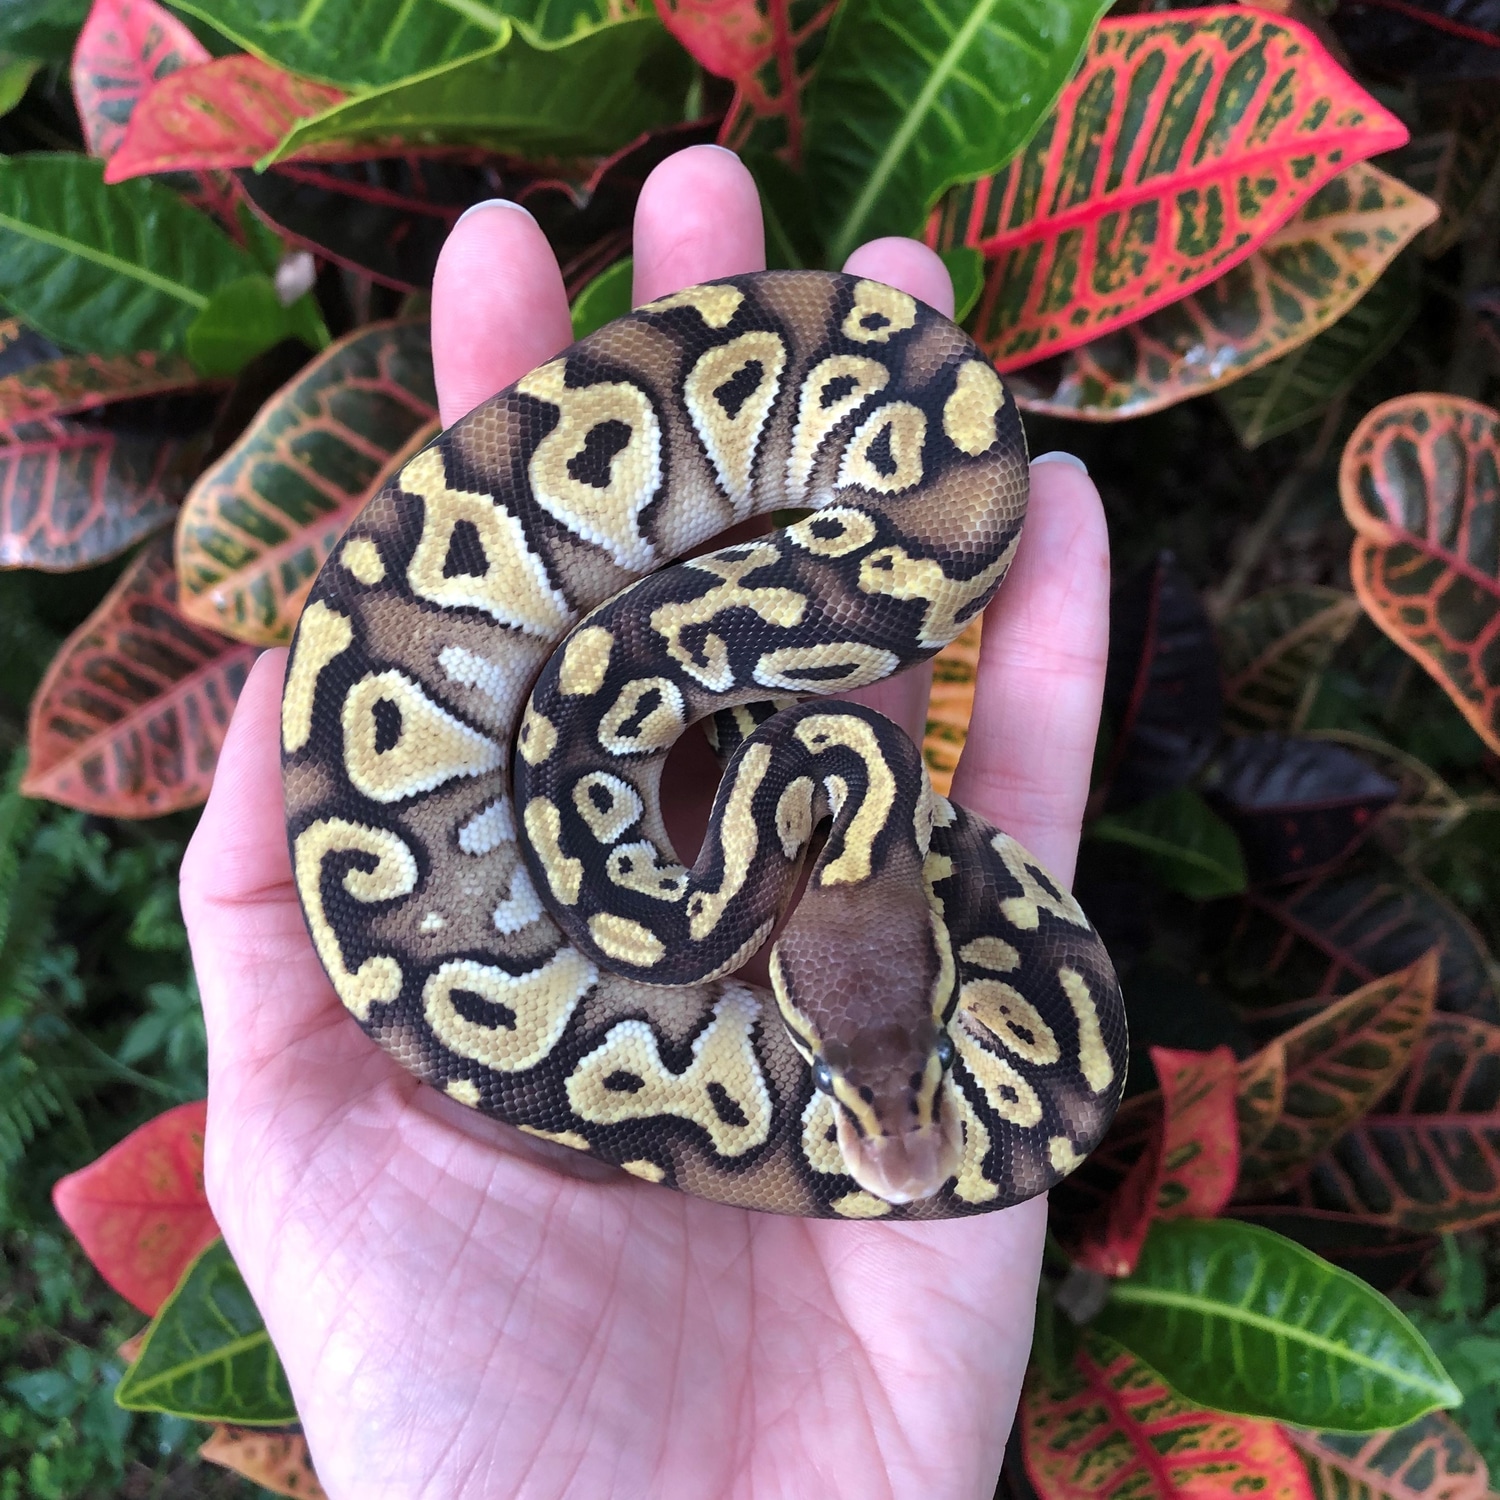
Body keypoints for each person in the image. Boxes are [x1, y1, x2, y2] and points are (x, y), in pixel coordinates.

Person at [181, 144, 1110, 1500]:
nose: (892, 1143)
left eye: (850, 1084)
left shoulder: (720, 898)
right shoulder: (738, 887)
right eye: (891, 1082)